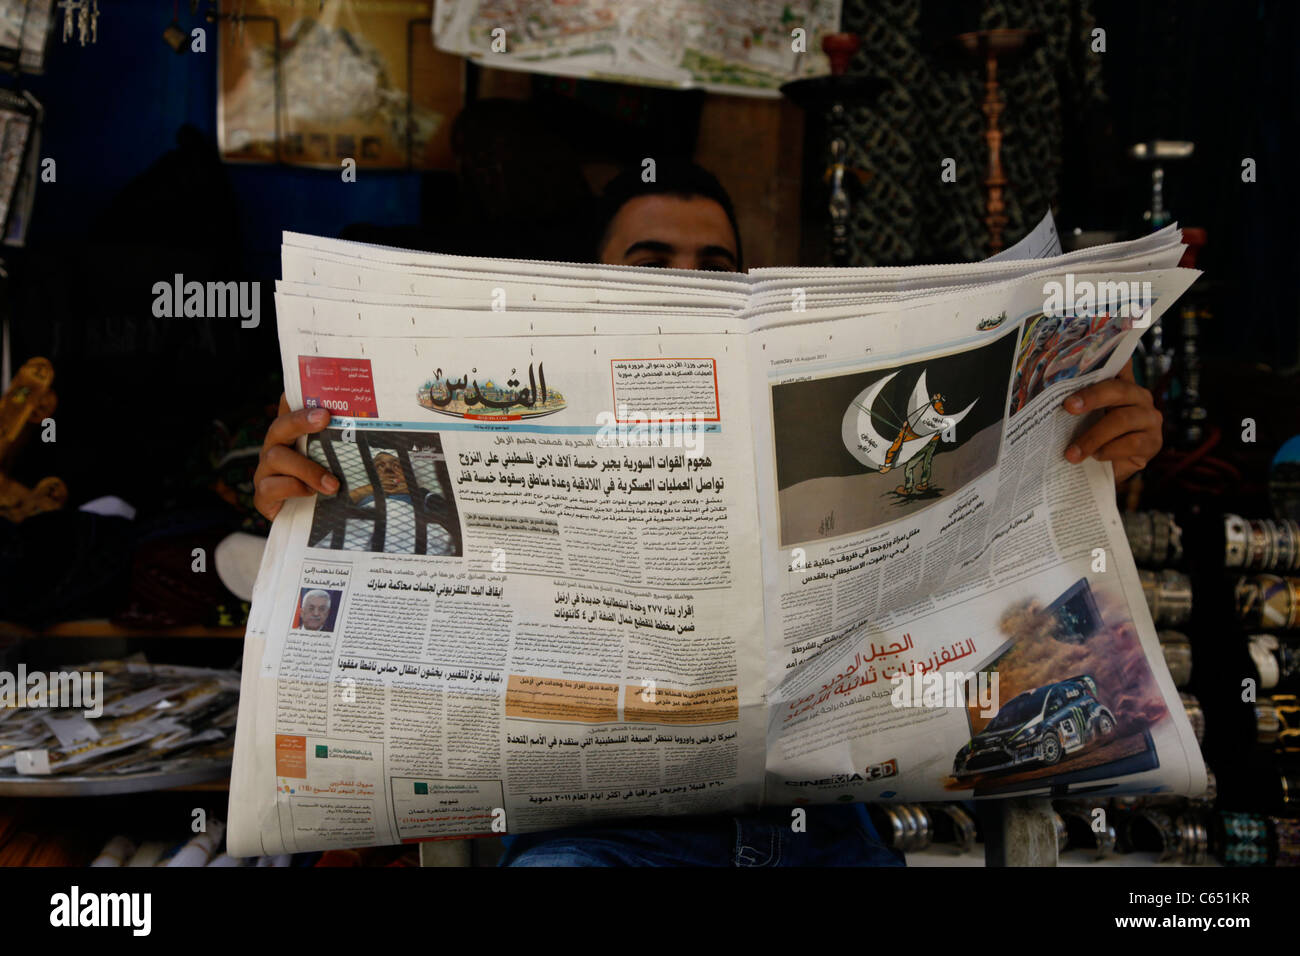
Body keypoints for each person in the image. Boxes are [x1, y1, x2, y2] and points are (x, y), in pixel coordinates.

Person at [253, 159, 1164, 864]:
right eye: (651, 265)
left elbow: (983, 584)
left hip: (823, 837)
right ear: (587, 283)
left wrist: (1083, 461)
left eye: (713, 269)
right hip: (596, 843)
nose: (685, 285)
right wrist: (300, 509)